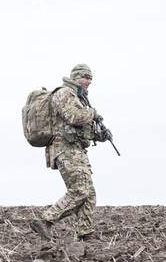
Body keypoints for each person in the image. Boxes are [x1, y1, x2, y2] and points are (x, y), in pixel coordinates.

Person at [29, 63, 108, 242]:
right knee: (80, 190)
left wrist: (100, 135)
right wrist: (92, 113)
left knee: (89, 193)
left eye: (90, 78)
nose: (89, 81)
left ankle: (85, 233)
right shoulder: (64, 93)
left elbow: (79, 129)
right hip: (66, 149)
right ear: (75, 78)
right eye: (86, 77)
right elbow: (74, 117)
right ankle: (46, 220)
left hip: (76, 150)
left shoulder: (78, 98)